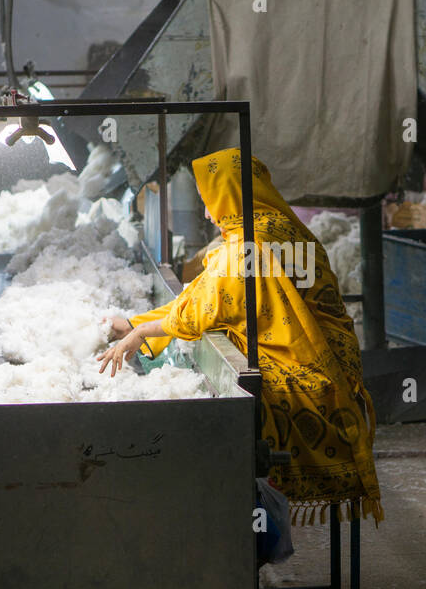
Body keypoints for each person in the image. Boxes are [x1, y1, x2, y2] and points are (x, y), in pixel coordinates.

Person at [97, 147, 383, 529]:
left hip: (308, 372)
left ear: (228, 197)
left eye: (208, 200)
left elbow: (201, 310)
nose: (205, 212)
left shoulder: (247, 247)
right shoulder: (281, 226)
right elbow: (202, 294)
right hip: (340, 362)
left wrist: (139, 334)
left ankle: (232, 536)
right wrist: (135, 322)